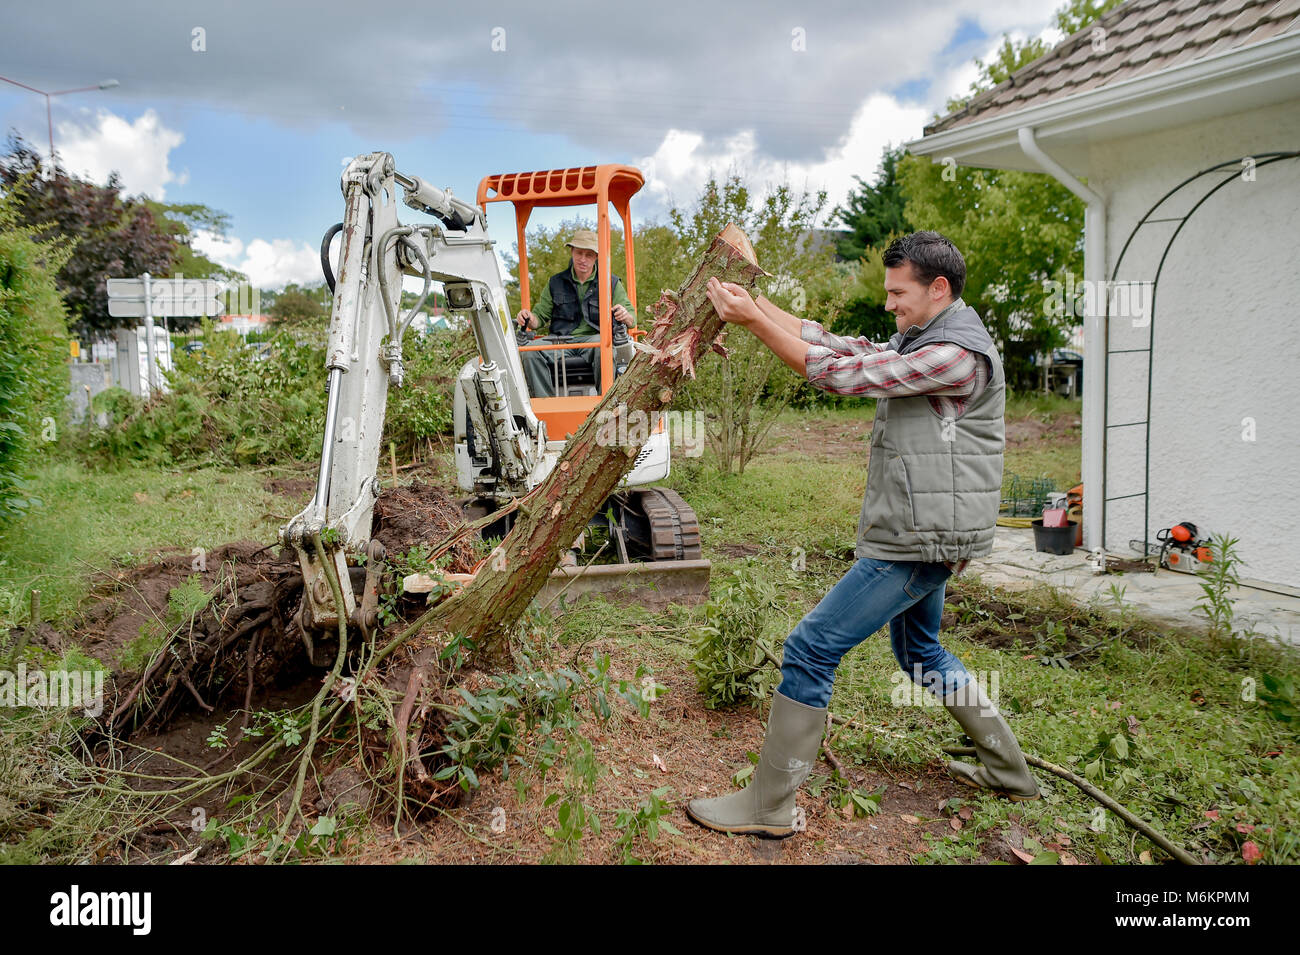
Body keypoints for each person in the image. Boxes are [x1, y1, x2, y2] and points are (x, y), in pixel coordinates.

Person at [686, 230, 1041, 839]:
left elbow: (843, 376)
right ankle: (1008, 770)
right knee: (919, 652)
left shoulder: (956, 355)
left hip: (917, 540)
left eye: (897, 292)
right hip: (923, 529)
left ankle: (769, 807)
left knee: (810, 649)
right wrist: (755, 302)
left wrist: (750, 324)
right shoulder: (925, 336)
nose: (889, 304)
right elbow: (837, 344)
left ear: (938, 288)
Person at [516, 228, 635, 397]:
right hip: (560, 341)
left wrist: (625, 315)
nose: (583, 259)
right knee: (529, 352)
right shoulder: (555, 282)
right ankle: (545, 408)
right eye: (579, 253)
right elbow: (539, 318)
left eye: (589, 255)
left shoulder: (611, 282)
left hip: (595, 338)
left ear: (596, 257)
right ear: (572, 252)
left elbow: (632, 318)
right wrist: (528, 317)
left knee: (605, 348)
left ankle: (606, 403)